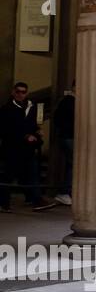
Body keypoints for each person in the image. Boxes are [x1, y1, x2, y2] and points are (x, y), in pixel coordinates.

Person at [0, 82, 51, 210]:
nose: (20, 94)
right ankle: (4, 203)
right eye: (18, 91)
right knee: (9, 175)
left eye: (23, 92)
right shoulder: (6, 109)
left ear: (26, 93)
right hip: (12, 148)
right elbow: (6, 129)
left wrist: (36, 133)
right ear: (13, 92)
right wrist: (25, 136)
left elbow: (33, 125)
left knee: (31, 174)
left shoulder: (31, 107)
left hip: (28, 148)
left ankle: (36, 199)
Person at [52, 82, 74, 205]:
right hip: (69, 137)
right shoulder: (68, 101)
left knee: (72, 164)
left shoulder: (69, 101)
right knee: (73, 164)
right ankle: (65, 192)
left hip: (69, 136)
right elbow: (58, 119)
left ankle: (66, 192)